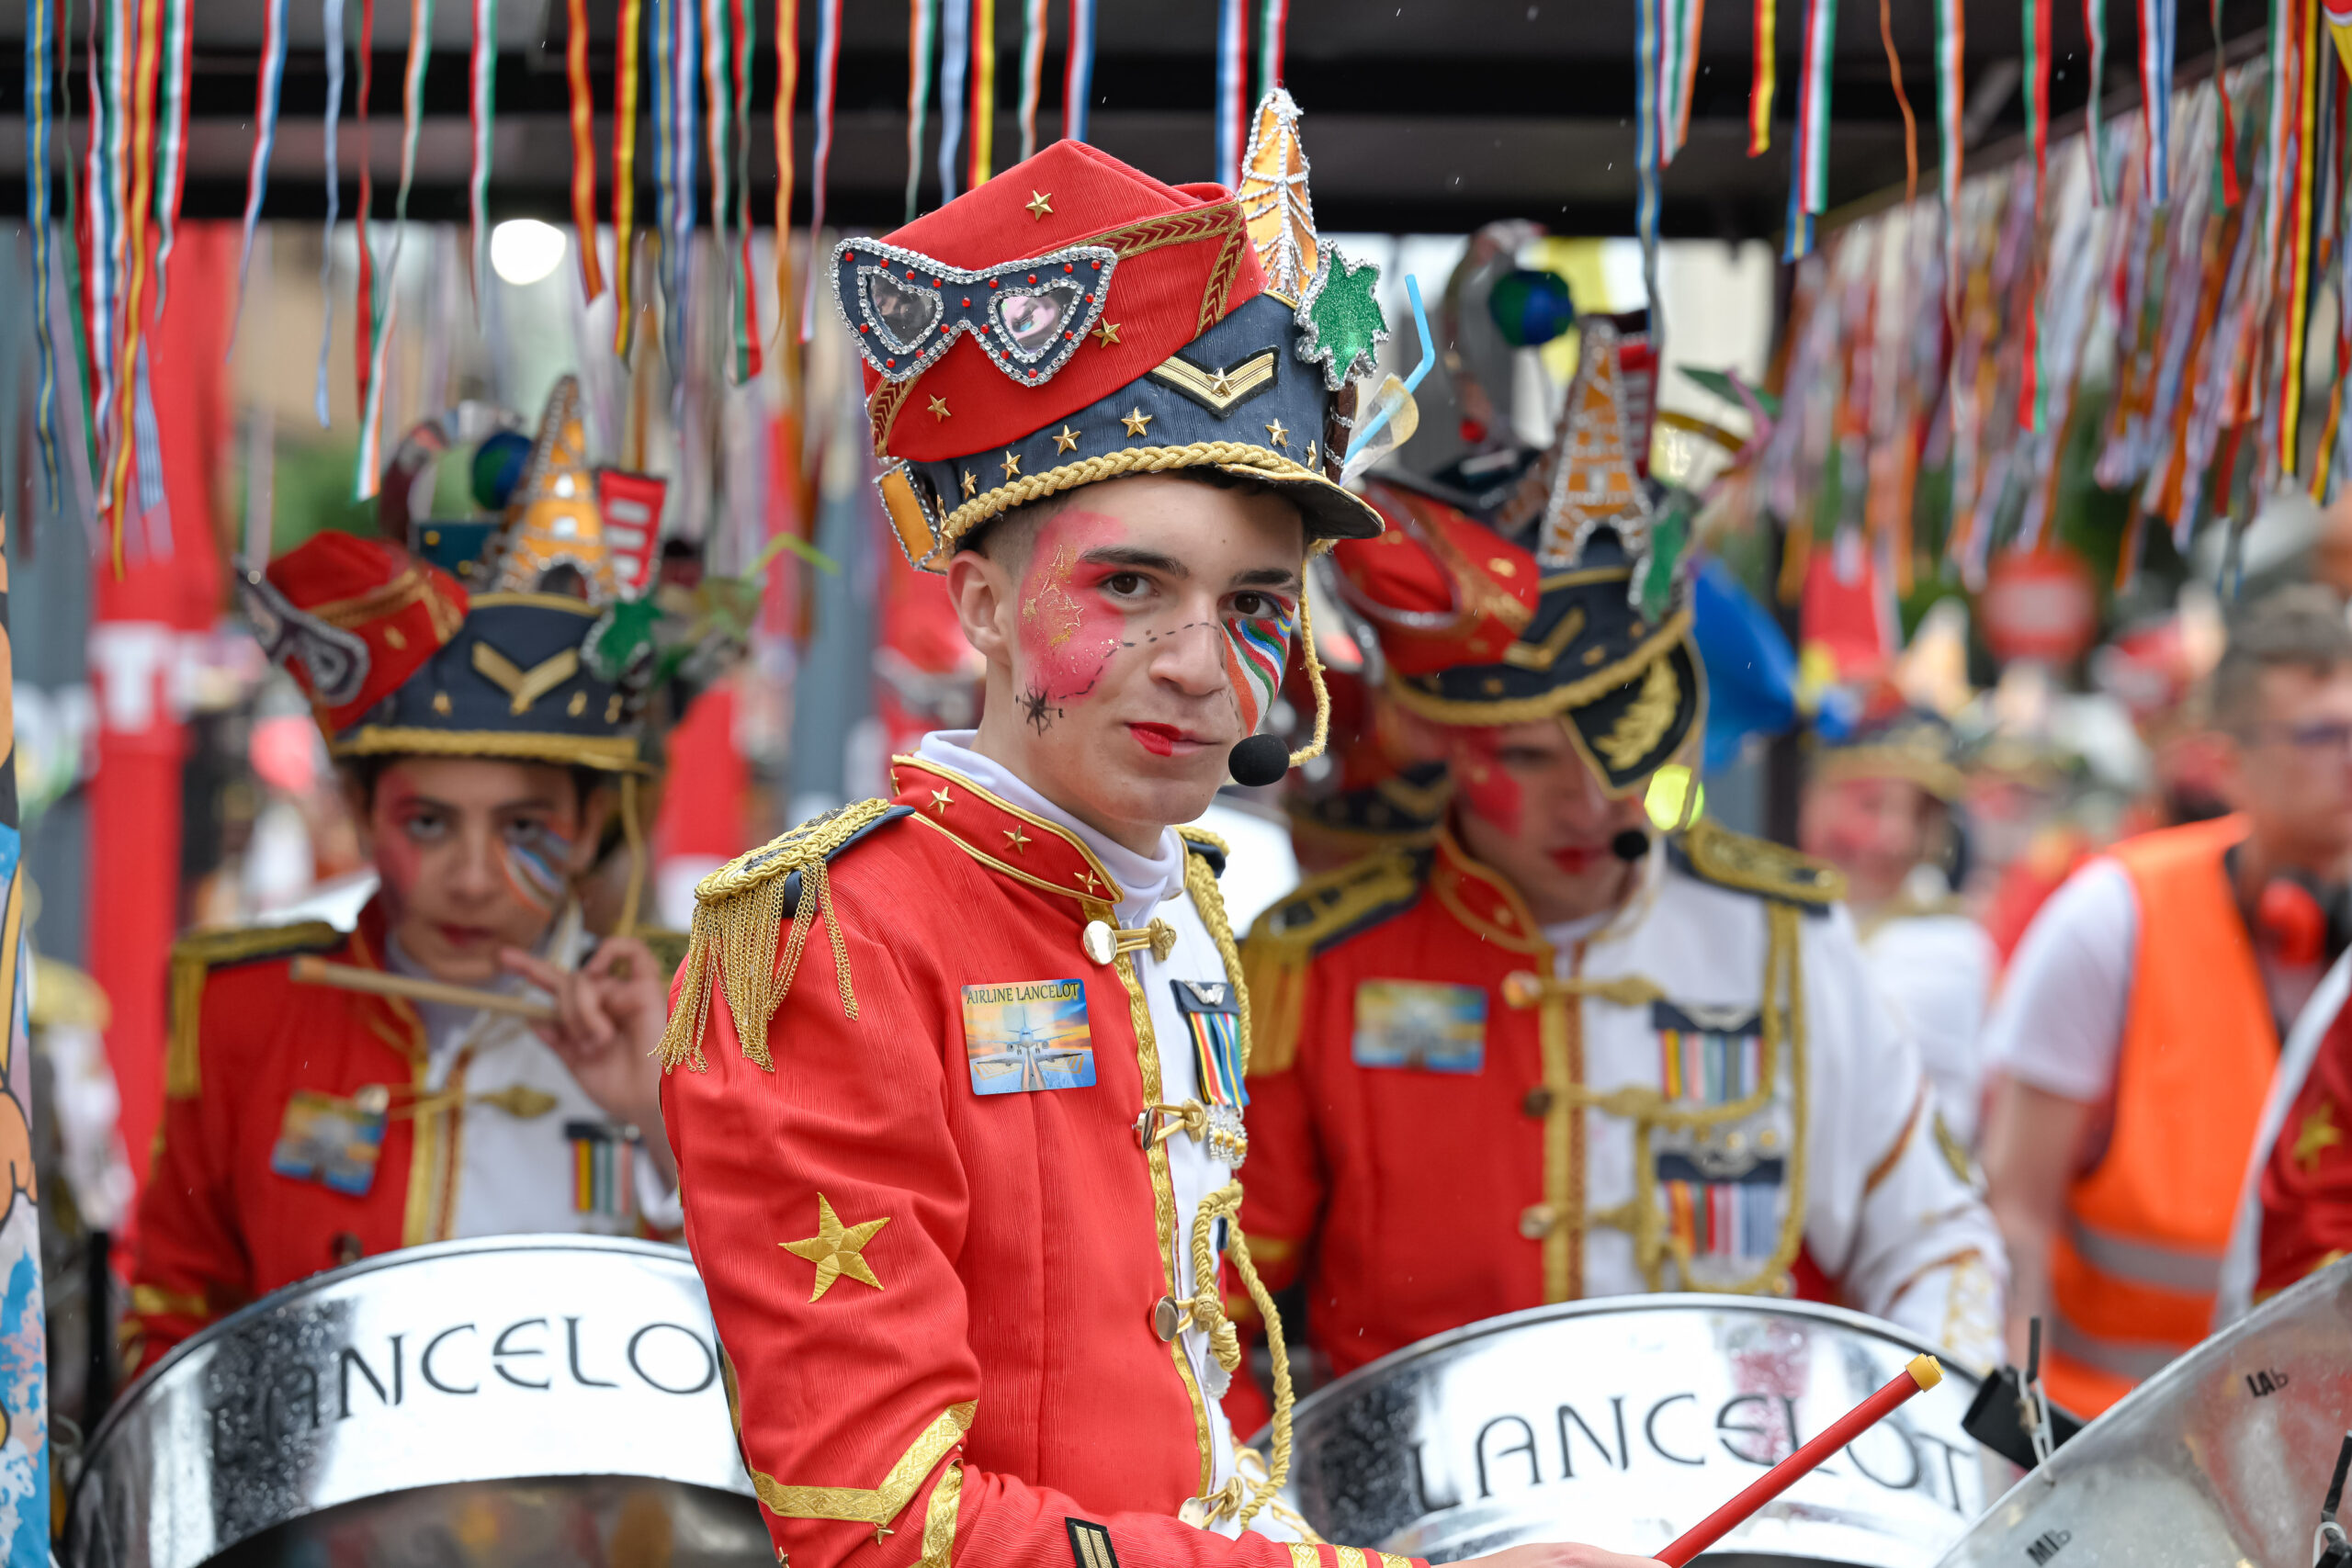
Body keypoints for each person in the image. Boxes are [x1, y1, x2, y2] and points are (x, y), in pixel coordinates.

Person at [657, 107, 1657, 1568]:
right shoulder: (833, 940)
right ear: (983, 605)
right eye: (1130, 584)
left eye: (1254, 605)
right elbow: (882, 1527)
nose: (1202, 663)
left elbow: (1196, 1423)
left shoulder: (1183, 901)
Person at [1227, 315, 2004, 1436]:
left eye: (1622, 753)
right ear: (1445, 745)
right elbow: (1212, 1310)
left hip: (1751, 1520)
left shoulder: (1781, 936)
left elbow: (1934, 1243)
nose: (1589, 803)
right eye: (1529, 758)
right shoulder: (1321, 962)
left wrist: (1889, 1456)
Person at [125, 383, 685, 1373]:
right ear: (356, 808)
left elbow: (794, 1323)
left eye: (524, 827)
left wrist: (662, 1114)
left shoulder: (699, 1015)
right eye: (427, 822)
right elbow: (173, 1316)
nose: (472, 877)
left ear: (594, 824)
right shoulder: (249, 1009)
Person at [1978, 584, 2352, 1415]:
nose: (2350, 758)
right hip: (2113, 1445)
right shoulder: (2112, 918)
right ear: (2228, 764)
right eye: (2323, 735)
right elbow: (2018, 1210)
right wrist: (2028, 1432)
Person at [1798, 704, 1996, 1146]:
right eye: (1870, 805)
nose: (1897, 838)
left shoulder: (1944, 945)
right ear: (1807, 798)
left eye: (1919, 816)